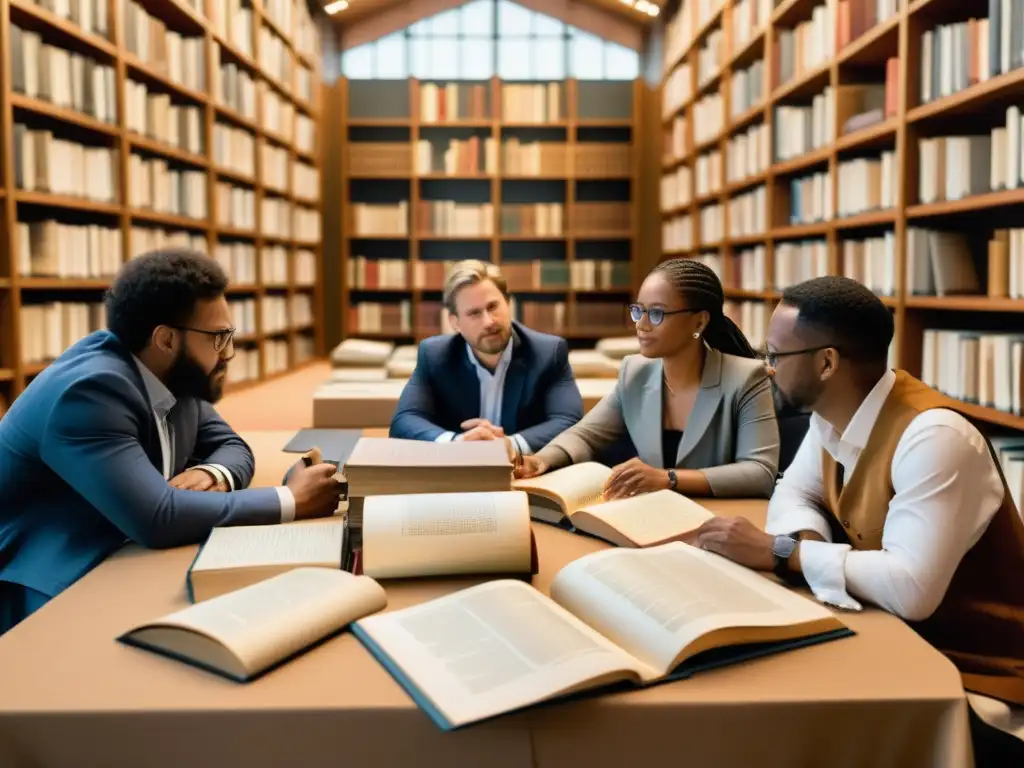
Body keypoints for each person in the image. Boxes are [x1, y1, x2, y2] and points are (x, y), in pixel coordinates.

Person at [689, 275, 1024, 763]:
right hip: (888, 632)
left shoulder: (934, 437)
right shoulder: (832, 413)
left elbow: (911, 589)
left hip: (974, 672)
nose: (765, 370)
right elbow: (794, 491)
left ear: (826, 362)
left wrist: (783, 552)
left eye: (775, 356)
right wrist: (803, 546)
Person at [0, 249, 344, 636]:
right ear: (165, 338)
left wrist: (212, 473)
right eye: (219, 337)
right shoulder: (91, 391)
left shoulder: (173, 374)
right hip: (50, 578)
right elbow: (157, 518)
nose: (228, 353)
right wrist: (291, 501)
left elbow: (231, 445)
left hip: (124, 551)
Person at [515, 258, 780, 499]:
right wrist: (543, 459)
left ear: (699, 322)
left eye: (656, 314)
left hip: (718, 518)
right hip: (651, 516)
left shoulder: (746, 378)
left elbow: (760, 472)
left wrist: (668, 478)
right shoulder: (635, 372)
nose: (641, 325)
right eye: (638, 311)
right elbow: (586, 435)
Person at [389, 259, 583, 461]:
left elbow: (569, 421)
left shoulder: (548, 353)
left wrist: (510, 444)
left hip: (522, 473)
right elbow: (404, 421)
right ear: (455, 323)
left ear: (508, 304)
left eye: (493, 307)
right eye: (474, 313)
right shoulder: (434, 355)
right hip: (459, 474)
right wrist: (457, 443)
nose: (489, 321)